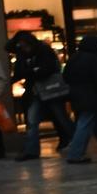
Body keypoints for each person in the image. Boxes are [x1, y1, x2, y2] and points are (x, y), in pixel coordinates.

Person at [8, 31, 73, 160]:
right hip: (37, 91)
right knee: (34, 121)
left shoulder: (43, 51)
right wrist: (33, 71)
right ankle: (31, 151)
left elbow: (45, 70)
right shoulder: (24, 54)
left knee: (60, 118)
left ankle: (76, 141)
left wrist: (30, 72)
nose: (23, 48)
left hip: (47, 90)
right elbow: (24, 71)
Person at [62, 35, 97, 163]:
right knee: (85, 124)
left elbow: (65, 77)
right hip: (91, 96)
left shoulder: (74, 58)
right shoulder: (93, 59)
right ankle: (75, 154)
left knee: (96, 125)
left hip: (76, 96)